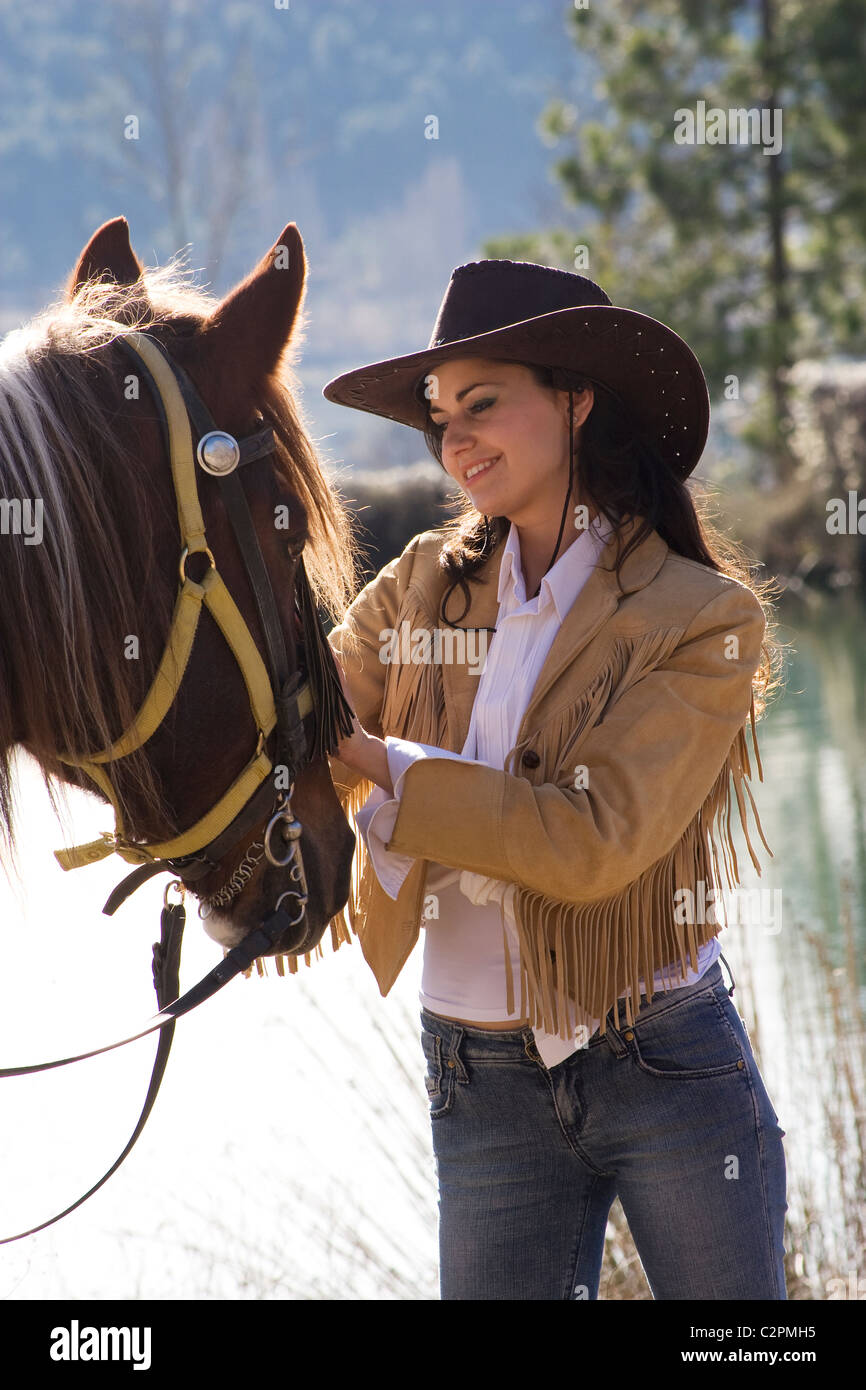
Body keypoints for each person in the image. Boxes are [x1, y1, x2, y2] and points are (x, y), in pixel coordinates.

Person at [320, 258, 788, 1300]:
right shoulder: (417, 585)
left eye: (482, 405)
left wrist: (373, 760)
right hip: (471, 1075)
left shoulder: (700, 616)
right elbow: (302, 703)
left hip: (661, 1060)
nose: (454, 440)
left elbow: (589, 841)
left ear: (575, 400)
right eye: (439, 418)